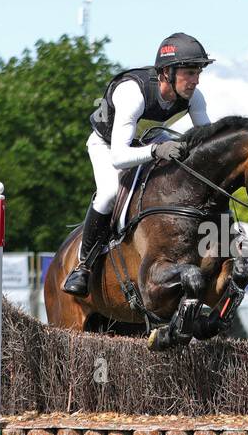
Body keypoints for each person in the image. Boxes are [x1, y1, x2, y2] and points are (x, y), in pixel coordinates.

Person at [62, 33, 216, 296]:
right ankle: (83, 266)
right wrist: (157, 150)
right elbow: (120, 157)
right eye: (190, 72)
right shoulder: (133, 92)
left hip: (152, 140)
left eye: (198, 72)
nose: (196, 80)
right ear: (167, 71)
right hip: (109, 146)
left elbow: (208, 142)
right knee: (109, 194)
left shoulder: (194, 97)